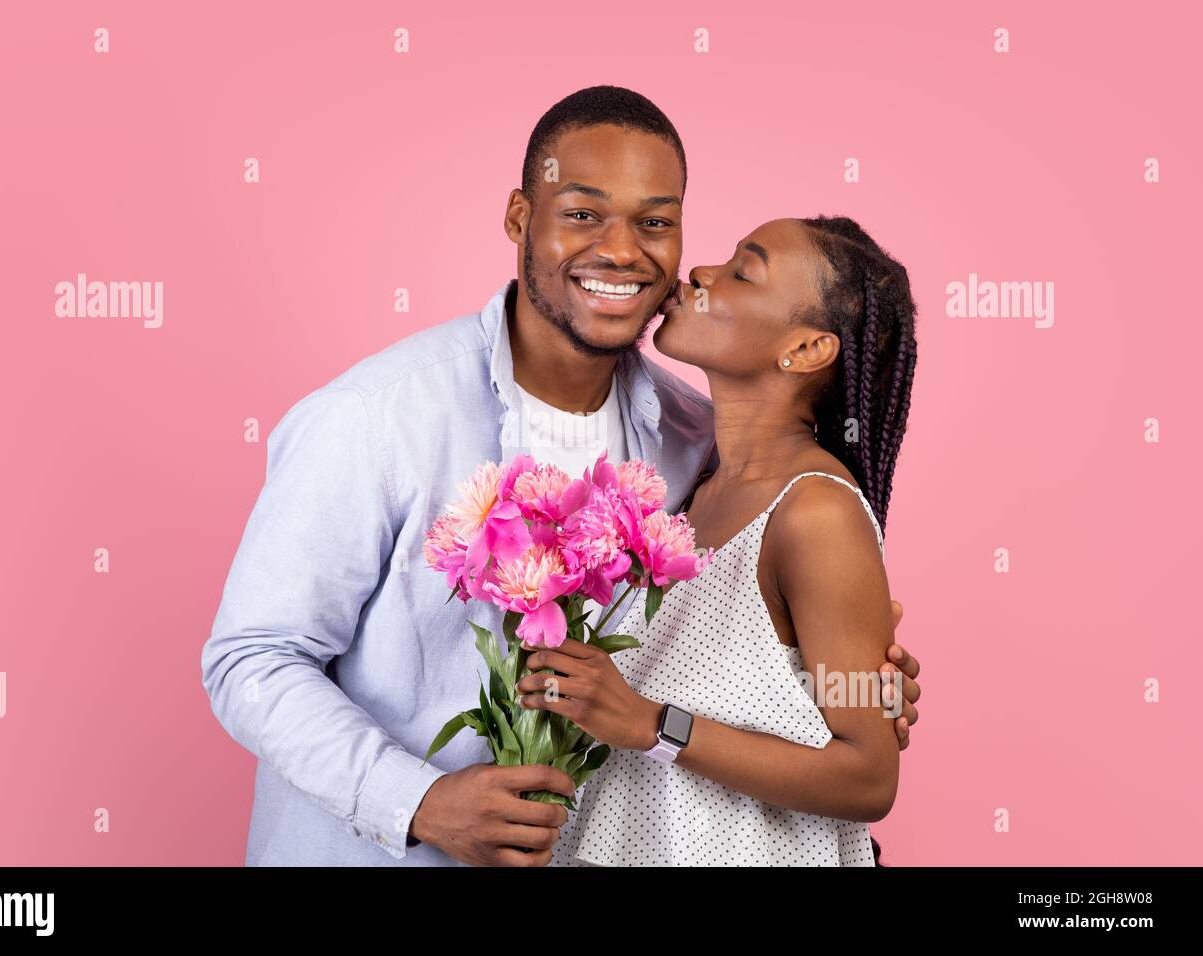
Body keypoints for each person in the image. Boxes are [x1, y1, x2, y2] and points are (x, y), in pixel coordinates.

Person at [201, 86, 922, 867]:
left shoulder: (693, 444)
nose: (620, 250)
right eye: (582, 213)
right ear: (520, 219)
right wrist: (417, 802)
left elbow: (782, 682)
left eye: (655, 222)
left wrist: (846, 690)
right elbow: (254, 658)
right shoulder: (376, 419)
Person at [527, 215, 917, 865]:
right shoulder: (686, 485)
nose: (702, 275)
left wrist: (650, 724)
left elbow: (869, 776)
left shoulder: (815, 511)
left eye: (744, 271)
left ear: (804, 350)